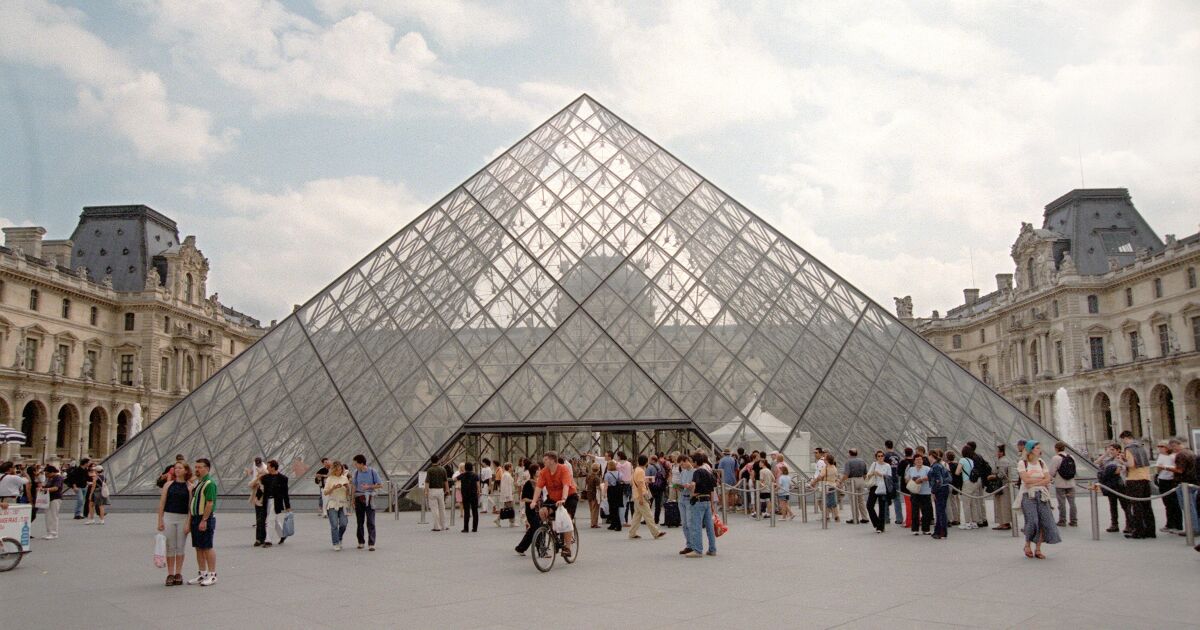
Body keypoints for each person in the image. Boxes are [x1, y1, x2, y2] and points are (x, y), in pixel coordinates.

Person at [1017, 441, 1061, 559]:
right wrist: (1040, 481)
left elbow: (1047, 479)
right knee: (1032, 521)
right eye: (1037, 448)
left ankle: (1038, 549)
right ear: (1030, 450)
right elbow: (1026, 480)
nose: (1039, 450)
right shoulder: (1023, 463)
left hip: (1042, 495)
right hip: (1028, 495)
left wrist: (1036, 483)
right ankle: (1027, 545)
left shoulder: (1041, 463)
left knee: (1043, 522)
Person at [532, 451, 579, 557]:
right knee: (542, 512)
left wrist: (563, 499)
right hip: (553, 498)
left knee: (567, 519)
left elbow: (566, 485)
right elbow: (538, 487)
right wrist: (534, 501)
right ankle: (552, 533)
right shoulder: (544, 472)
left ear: (553, 460)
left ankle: (567, 547)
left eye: (546, 460)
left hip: (569, 497)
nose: (544, 462)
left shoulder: (563, 469)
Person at [156, 462, 192, 584]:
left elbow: (190, 507)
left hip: (183, 518)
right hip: (169, 517)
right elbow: (162, 504)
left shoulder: (190, 487)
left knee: (180, 547)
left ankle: (178, 573)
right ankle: (170, 574)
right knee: (170, 546)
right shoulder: (168, 485)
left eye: (180, 468)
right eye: (175, 468)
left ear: (186, 470)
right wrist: (160, 520)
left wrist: (188, 523)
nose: (177, 470)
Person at [1119, 431, 1156, 539]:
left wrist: (1121, 461)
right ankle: (1150, 530)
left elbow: (1131, 465)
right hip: (1145, 478)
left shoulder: (1129, 448)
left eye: (1123, 440)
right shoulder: (1141, 447)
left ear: (1126, 438)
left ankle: (1139, 531)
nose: (1123, 443)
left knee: (1136, 506)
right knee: (1147, 506)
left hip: (1134, 479)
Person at [189, 458, 218, 586]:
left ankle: (212, 574)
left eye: (199, 467)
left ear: (207, 468)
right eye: (196, 467)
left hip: (204, 518)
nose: (196, 469)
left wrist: (204, 520)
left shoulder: (209, 483)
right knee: (198, 547)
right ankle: (202, 573)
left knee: (207, 546)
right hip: (196, 518)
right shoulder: (199, 482)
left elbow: (210, 503)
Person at [684, 452, 717, 557]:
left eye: (692, 461)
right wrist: (712, 505)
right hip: (707, 500)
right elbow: (712, 489)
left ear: (695, 462)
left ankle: (698, 550)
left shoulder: (697, 472)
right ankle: (712, 549)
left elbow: (694, 484)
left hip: (698, 501)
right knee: (709, 526)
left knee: (696, 526)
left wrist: (692, 491)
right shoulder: (708, 471)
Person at [628, 454, 666, 540]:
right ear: (646, 462)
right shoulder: (641, 471)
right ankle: (656, 532)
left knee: (637, 516)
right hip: (641, 496)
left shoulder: (635, 470)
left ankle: (632, 533)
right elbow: (641, 486)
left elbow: (632, 483)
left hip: (635, 495)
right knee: (648, 515)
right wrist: (641, 498)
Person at [1094, 442, 1130, 533]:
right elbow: (1096, 462)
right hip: (1111, 484)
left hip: (1120, 484)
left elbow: (1118, 471)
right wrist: (1105, 454)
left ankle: (1129, 524)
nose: (1111, 451)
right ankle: (1114, 524)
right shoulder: (1108, 459)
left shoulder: (1121, 458)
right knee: (1112, 505)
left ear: (1118, 450)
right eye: (1109, 449)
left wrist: (1106, 472)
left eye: (1112, 450)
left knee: (1125, 505)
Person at [1169, 437, 1198, 538]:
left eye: (1172, 447)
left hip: (1184, 483)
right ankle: (1195, 526)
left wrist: (1166, 468)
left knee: (1187, 506)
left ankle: (1193, 528)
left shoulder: (1181, 455)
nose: (1173, 450)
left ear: (1175, 445)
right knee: (1193, 506)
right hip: (1193, 482)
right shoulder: (1191, 452)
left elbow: (1180, 470)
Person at [352, 454, 381, 549]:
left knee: (371, 521)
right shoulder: (356, 473)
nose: (354, 465)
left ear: (361, 463)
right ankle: (361, 541)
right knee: (359, 521)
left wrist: (368, 486)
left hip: (370, 498)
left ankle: (371, 543)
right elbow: (354, 486)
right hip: (359, 497)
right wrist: (352, 499)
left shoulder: (373, 472)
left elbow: (380, 485)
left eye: (356, 464)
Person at [1048, 441, 1078, 528]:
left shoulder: (1056, 458)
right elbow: (1074, 470)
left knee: (1062, 503)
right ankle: (1074, 521)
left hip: (1060, 484)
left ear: (1056, 449)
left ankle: (1062, 520)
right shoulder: (1071, 457)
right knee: (1072, 503)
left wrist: (1049, 479)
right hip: (1071, 483)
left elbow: (1052, 472)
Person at [322, 461, 351, 550]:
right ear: (334, 470)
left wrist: (347, 488)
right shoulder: (330, 479)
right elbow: (325, 492)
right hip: (332, 504)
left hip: (343, 504)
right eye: (337, 469)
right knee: (334, 524)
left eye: (340, 469)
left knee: (343, 524)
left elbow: (348, 494)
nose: (339, 471)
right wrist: (333, 488)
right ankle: (335, 543)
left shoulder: (344, 478)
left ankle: (339, 537)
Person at [262, 460, 292, 545]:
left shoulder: (283, 478)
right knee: (273, 520)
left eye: (268, 466)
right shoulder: (265, 478)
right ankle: (282, 535)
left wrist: (288, 506)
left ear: (273, 467)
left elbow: (285, 493)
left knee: (270, 520)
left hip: (276, 502)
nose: (267, 468)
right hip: (267, 501)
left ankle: (268, 540)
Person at [514, 462, 541, 555]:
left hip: (539, 510)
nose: (540, 471)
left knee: (533, 530)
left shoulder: (540, 482)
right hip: (531, 511)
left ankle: (520, 548)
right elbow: (523, 498)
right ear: (534, 472)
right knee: (537, 528)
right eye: (538, 470)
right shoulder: (529, 483)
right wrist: (533, 501)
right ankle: (541, 550)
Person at [1154, 440, 1180, 534]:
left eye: (1162, 446)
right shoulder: (1161, 456)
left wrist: (1164, 467)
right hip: (1162, 480)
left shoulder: (1173, 456)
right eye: (1159, 446)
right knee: (1167, 504)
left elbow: (1176, 468)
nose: (1160, 448)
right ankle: (1169, 524)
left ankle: (1177, 524)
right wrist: (1157, 475)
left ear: (1167, 447)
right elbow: (1157, 468)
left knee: (1174, 503)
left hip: (1170, 481)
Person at [956, 445, 984, 530]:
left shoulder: (962, 460)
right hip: (975, 483)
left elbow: (957, 472)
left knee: (966, 504)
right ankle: (974, 522)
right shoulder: (972, 461)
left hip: (967, 483)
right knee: (974, 504)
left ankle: (967, 522)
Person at [865, 450, 891, 533]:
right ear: (876, 457)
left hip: (883, 487)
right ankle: (876, 522)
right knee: (869, 505)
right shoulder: (874, 464)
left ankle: (880, 527)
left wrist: (881, 475)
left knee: (882, 507)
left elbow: (890, 477)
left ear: (884, 457)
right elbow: (868, 475)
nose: (880, 457)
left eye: (882, 456)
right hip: (874, 486)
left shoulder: (887, 466)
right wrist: (873, 473)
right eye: (878, 456)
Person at [906, 454, 932, 535]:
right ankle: (915, 529)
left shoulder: (927, 468)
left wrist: (921, 479)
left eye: (920, 459)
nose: (919, 461)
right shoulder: (911, 469)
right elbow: (907, 479)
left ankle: (926, 529)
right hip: (915, 492)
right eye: (917, 460)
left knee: (926, 511)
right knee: (915, 511)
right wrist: (913, 480)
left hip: (925, 492)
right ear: (914, 461)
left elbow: (930, 477)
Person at [928, 450, 951, 540]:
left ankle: (942, 532)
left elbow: (938, 480)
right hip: (944, 489)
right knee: (940, 511)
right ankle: (938, 531)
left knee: (940, 511)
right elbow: (948, 478)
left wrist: (933, 491)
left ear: (931, 456)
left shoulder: (936, 466)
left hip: (940, 490)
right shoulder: (940, 465)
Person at [990, 445, 1013, 530]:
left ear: (1001, 452)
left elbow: (1001, 474)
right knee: (1002, 504)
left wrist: (992, 477)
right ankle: (1004, 522)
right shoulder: (1003, 460)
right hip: (1003, 485)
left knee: (1003, 504)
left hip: (1002, 485)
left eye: (997, 451)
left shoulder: (1002, 461)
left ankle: (1005, 523)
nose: (996, 453)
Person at [814, 453, 841, 524]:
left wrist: (813, 482)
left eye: (825, 459)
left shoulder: (826, 468)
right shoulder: (834, 468)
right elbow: (837, 477)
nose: (824, 460)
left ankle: (833, 516)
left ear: (828, 460)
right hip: (833, 485)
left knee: (828, 502)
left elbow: (820, 477)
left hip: (826, 486)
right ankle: (831, 516)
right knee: (831, 501)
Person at [843, 448, 868, 524]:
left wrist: (841, 481)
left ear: (849, 454)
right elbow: (865, 474)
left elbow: (846, 474)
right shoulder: (862, 461)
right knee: (861, 500)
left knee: (853, 500)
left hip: (852, 481)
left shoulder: (848, 462)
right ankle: (865, 517)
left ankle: (855, 518)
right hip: (861, 480)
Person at [424, 455, 449, 532]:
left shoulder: (430, 470)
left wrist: (426, 491)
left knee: (434, 509)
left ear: (431, 461)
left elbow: (427, 481)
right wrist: (447, 489)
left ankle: (437, 526)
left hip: (432, 490)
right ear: (438, 460)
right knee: (442, 508)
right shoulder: (443, 469)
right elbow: (445, 481)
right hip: (440, 490)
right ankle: (444, 525)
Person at [882, 441, 903, 525]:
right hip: (896, 478)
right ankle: (899, 518)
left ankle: (886, 518)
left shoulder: (886, 456)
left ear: (886, 446)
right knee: (897, 499)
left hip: (888, 479)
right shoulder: (897, 456)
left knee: (886, 498)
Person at [41, 465, 64, 540]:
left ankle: (54, 533)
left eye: (47, 473)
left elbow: (55, 488)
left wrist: (45, 489)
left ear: (52, 472)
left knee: (53, 516)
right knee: (47, 516)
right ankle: (49, 532)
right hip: (48, 498)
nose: (46, 475)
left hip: (55, 498)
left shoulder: (58, 477)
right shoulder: (50, 478)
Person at [249, 468, 269, 547]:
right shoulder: (257, 482)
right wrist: (257, 478)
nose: (260, 475)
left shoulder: (267, 482)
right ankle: (259, 539)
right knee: (259, 521)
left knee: (262, 521)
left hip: (264, 503)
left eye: (261, 474)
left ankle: (262, 538)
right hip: (258, 503)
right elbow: (250, 485)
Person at [458, 462, 480, 533]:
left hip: (465, 495)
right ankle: (475, 528)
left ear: (465, 468)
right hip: (474, 495)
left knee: (466, 511)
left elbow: (454, 479)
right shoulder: (475, 475)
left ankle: (466, 528)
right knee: (475, 511)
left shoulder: (463, 475)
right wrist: (478, 492)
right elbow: (478, 484)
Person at [647, 455, 667, 525]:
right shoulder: (660, 466)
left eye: (650, 459)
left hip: (652, 487)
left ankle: (648, 519)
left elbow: (647, 478)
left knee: (649, 504)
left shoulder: (650, 467)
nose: (649, 460)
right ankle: (656, 519)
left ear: (653, 460)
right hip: (660, 487)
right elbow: (664, 475)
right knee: (658, 505)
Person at [603, 461, 622, 531]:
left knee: (612, 508)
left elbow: (606, 485)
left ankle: (618, 525)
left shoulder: (607, 474)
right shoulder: (619, 473)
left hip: (611, 491)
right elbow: (621, 480)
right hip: (618, 491)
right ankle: (613, 524)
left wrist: (604, 493)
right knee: (616, 507)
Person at [495, 463, 515, 527]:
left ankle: (498, 519)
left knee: (507, 508)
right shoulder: (506, 475)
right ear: (509, 467)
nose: (512, 468)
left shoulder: (506, 474)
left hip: (507, 494)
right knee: (510, 508)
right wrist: (508, 496)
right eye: (511, 467)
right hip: (507, 495)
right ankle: (512, 522)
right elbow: (506, 486)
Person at [616, 451, 633, 525]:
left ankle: (620, 519)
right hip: (627, 485)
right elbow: (632, 473)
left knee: (619, 503)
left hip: (619, 484)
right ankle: (622, 520)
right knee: (625, 504)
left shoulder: (617, 464)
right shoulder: (629, 464)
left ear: (619, 456)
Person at [584, 463, 601, 529]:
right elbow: (597, 488)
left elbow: (586, 484)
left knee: (591, 509)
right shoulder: (596, 478)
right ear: (598, 469)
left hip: (589, 494)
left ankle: (592, 522)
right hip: (594, 494)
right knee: (595, 509)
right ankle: (594, 523)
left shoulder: (588, 476)